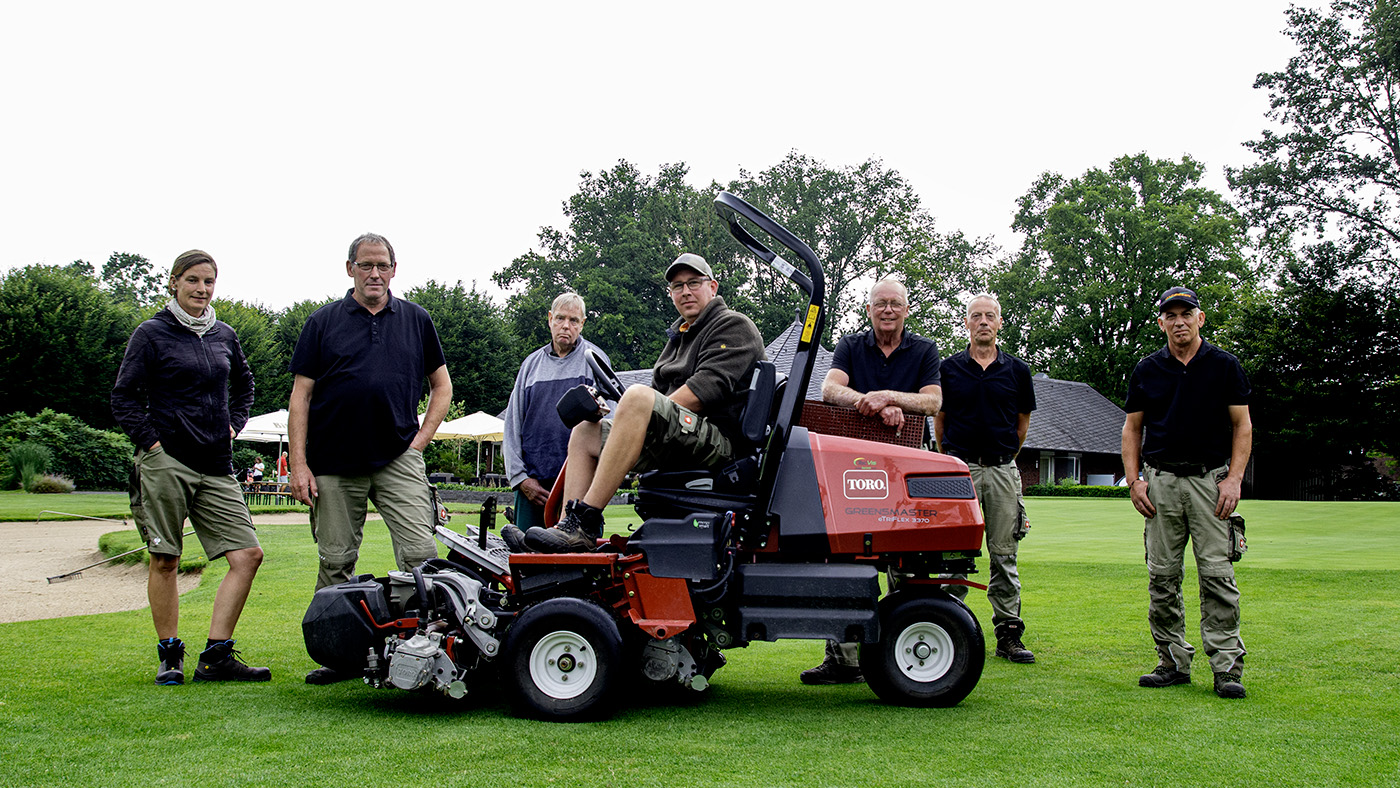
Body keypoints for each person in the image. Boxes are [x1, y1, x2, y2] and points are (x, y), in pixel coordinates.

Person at [288, 232, 453, 684]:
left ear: (394, 270)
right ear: (350, 270)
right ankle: (337, 656)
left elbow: (443, 387)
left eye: (382, 265)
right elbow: (300, 397)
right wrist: (299, 465)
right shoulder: (322, 322)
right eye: (366, 265)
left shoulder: (417, 320)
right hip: (334, 461)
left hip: (398, 457)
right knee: (336, 559)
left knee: (422, 555)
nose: (374, 273)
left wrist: (420, 441)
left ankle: (432, 644)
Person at [517, 253, 765, 553]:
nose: (685, 291)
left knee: (637, 398)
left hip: (720, 443)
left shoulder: (733, 326)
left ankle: (586, 517)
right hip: (682, 436)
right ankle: (568, 530)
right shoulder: (678, 337)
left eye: (693, 283)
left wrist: (636, 416)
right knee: (585, 430)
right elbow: (655, 396)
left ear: (712, 287)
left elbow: (703, 393)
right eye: (677, 286)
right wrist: (624, 420)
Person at [111, 249, 271, 685]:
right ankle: (170, 655)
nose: (202, 290)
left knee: (247, 555)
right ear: (174, 282)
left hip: (216, 464)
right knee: (165, 559)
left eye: (209, 283)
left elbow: (245, 385)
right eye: (194, 281)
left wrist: (234, 426)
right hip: (167, 462)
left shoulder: (224, 334)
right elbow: (123, 398)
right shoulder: (151, 333)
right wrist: (154, 444)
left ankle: (216, 657)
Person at [800, 278, 942, 685]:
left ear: (906, 310)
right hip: (850, 470)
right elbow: (829, 390)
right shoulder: (849, 345)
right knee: (844, 556)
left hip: (903, 470)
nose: (888, 310)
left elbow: (932, 401)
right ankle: (842, 660)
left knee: (907, 557)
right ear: (869, 310)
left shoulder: (924, 350)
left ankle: (905, 650)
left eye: (895, 303)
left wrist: (889, 397)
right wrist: (875, 405)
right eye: (880, 304)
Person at [1121, 286, 1252, 700]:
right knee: (1162, 577)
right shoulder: (1147, 370)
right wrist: (1135, 480)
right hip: (1160, 482)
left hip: (1209, 482)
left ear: (1200, 319)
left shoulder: (1224, 366)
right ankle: (1172, 662)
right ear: (1161, 322)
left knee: (1217, 576)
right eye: (1171, 315)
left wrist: (1233, 479)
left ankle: (1226, 667)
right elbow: (1132, 430)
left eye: (1186, 313)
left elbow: (1242, 426)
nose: (1179, 321)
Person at [935, 293, 1037, 664]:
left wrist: (1005, 459)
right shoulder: (948, 369)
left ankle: (1009, 634)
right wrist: (950, 460)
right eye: (975, 316)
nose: (982, 322)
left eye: (989, 316)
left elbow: (1022, 425)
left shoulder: (1017, 371)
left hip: (1001, 470)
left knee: (1004, 555)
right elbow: (940, 422)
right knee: (953, 554)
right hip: (959, 471)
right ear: (966, 323)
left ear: (998, 323)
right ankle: (946, 625)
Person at [501, 292, 610, 537]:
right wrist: (521, 479)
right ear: (550, 319)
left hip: (579, 489)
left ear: (582, 324)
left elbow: (607, 425)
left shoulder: (594, 360)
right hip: (533, 486)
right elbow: (512, 425)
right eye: (560, 318)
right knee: (527, 560)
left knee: (580, 563)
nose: (565, 326)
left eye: (573, 320)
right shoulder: (530, 365)